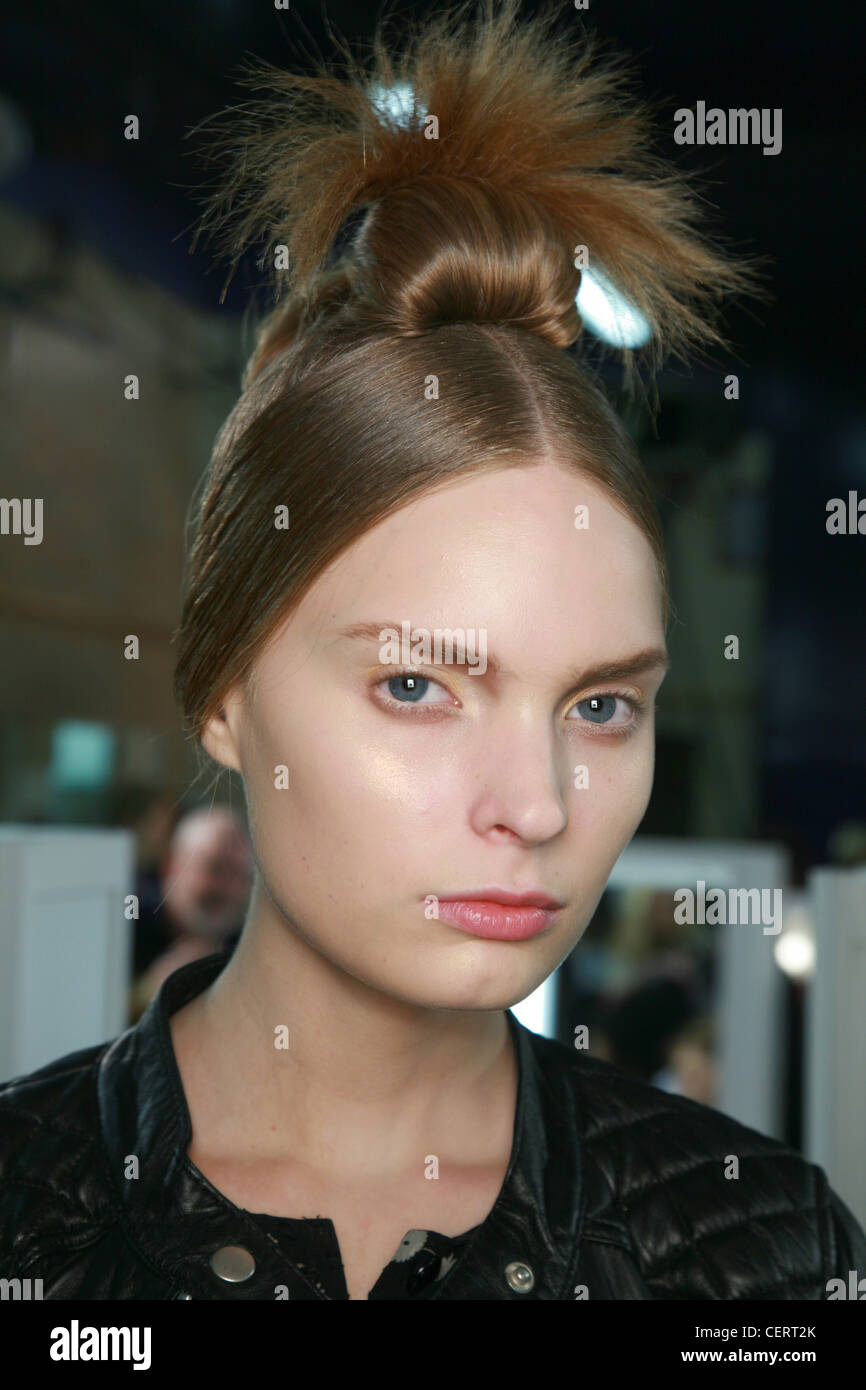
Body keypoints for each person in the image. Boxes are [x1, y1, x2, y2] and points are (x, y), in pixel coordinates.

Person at [1, 0, 863, 1300]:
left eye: (601, 705)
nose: (535, 806)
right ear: (224, 689)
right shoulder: (29, 1219)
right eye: (418, 684)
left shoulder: (765, 1252)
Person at [128, 804, 253, 1022]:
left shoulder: (248, 942)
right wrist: (144, 995)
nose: (229, 889)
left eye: (241, 875)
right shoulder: (126, 922)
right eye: (215, 868)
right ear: (170, 866)